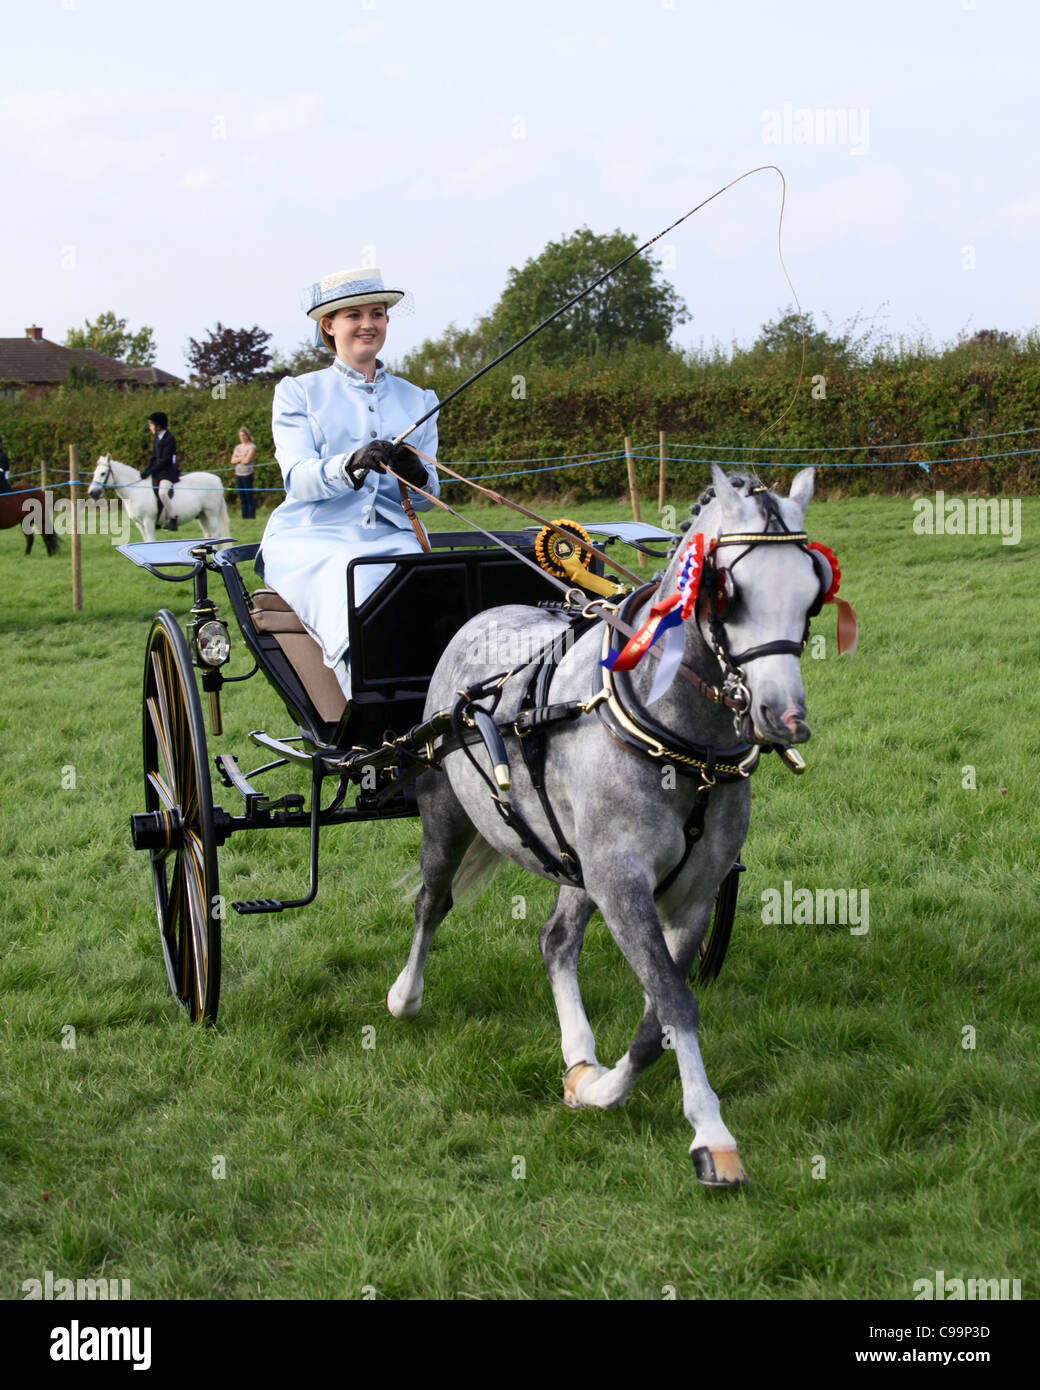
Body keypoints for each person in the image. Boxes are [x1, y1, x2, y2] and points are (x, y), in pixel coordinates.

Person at [259, 268, 440, 701]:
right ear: (329, 325)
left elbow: (429, 497)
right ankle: (371, 708)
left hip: (394, 538)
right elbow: (298, 479)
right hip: (313, 541)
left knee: (439, 591)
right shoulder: (297, 394)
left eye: (377, 314)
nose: (367, 324)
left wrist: (416, 475)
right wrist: (351, 464)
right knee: (358, 577)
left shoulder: (419, 400)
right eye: (353, 315)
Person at [142, 411, 180, 531]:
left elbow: (166, 460)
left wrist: (151, 470)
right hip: (158, 471)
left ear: (158, 425)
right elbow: (153, 457)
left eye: (151, 424)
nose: (150, 427)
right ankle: (157, 519)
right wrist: (145, 470)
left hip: (168, 472)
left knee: (162, 493)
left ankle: (173, 519)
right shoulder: (157, 438)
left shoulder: (169, 438)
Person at [232, 426, 257, 519]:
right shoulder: (237, 447)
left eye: (244, 435)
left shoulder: (252, 446)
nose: (242, 437)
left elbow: (247, 460)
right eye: (240, 435)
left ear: (247, 435)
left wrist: (238, 459)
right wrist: (240, 458)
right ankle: (244, 517)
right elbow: (232, 460)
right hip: (238, 474)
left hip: (247, 474)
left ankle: (251, 517)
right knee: (242, 497)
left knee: (249, 496)